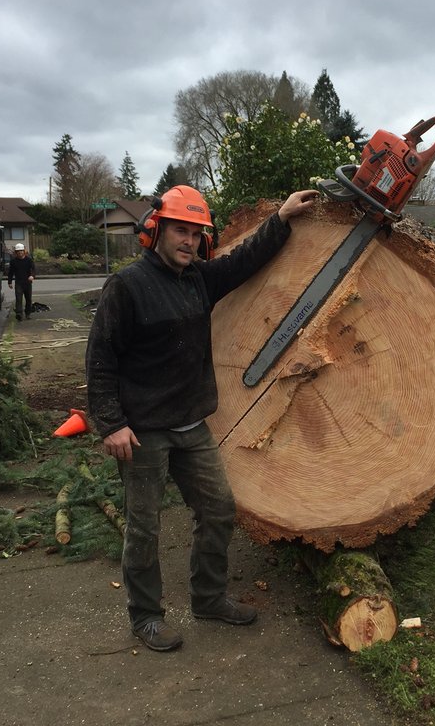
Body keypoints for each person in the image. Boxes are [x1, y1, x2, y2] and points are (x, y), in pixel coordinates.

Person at [85, 185, 318, 652]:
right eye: (179, 230)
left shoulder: (198, 280)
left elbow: (242, 262)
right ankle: (146, 616)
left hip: (192, 425)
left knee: (218, 510)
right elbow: (100, 359)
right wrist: (110, 424)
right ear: (155, 231)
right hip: (144, 431)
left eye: (195, 233)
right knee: (144, 527)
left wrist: (282, 216)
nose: (188, 241)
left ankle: (208, 598)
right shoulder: (127, 287)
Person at [7, 243, 36, 321]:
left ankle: (28, 313)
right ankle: (19, 314)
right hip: (18, 283)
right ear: (16, 252)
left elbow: (33, 269)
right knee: (18, 298)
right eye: (18, 251)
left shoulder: (29, 260)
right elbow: (10, 272)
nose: (20, 253)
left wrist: (32, 276)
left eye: (21, 251)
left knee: (28, 299)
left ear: (24, 251)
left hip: (27, 283)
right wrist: (9, 282)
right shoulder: (13, 261)